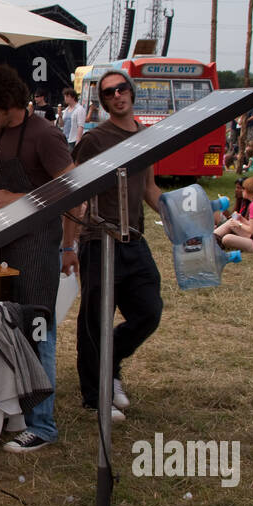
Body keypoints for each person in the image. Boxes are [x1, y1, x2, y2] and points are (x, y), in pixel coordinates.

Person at [0, 64, 77, 454]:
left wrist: (18, 201)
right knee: (8, 324)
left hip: (39, 245)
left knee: (38, 328)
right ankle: (14, 410)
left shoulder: (46, 135)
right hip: (6, 240)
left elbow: (74, 189)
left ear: (6, 103)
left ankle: (43, 427)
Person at [70, 70, 164, 422]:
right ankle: (95, 396)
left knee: (149, 311)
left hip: (134, 240)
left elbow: (151, 188)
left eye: (122, 89)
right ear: (103, 101)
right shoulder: (96, 139)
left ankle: (110, 364)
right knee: (95, 318)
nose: (117, 96)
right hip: (99, 239)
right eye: (108, 93)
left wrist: (176, 219)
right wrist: (69, 242)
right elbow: (72, 185)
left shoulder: (145, 136)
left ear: (132, 92)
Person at [213, 175, 253, 253]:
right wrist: (242, 220)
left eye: (243, 189)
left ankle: (210, 241)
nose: (242, 191)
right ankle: (212, 239)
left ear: (249, 190)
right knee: (230, 223)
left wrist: (239, 224)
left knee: (227, 238)